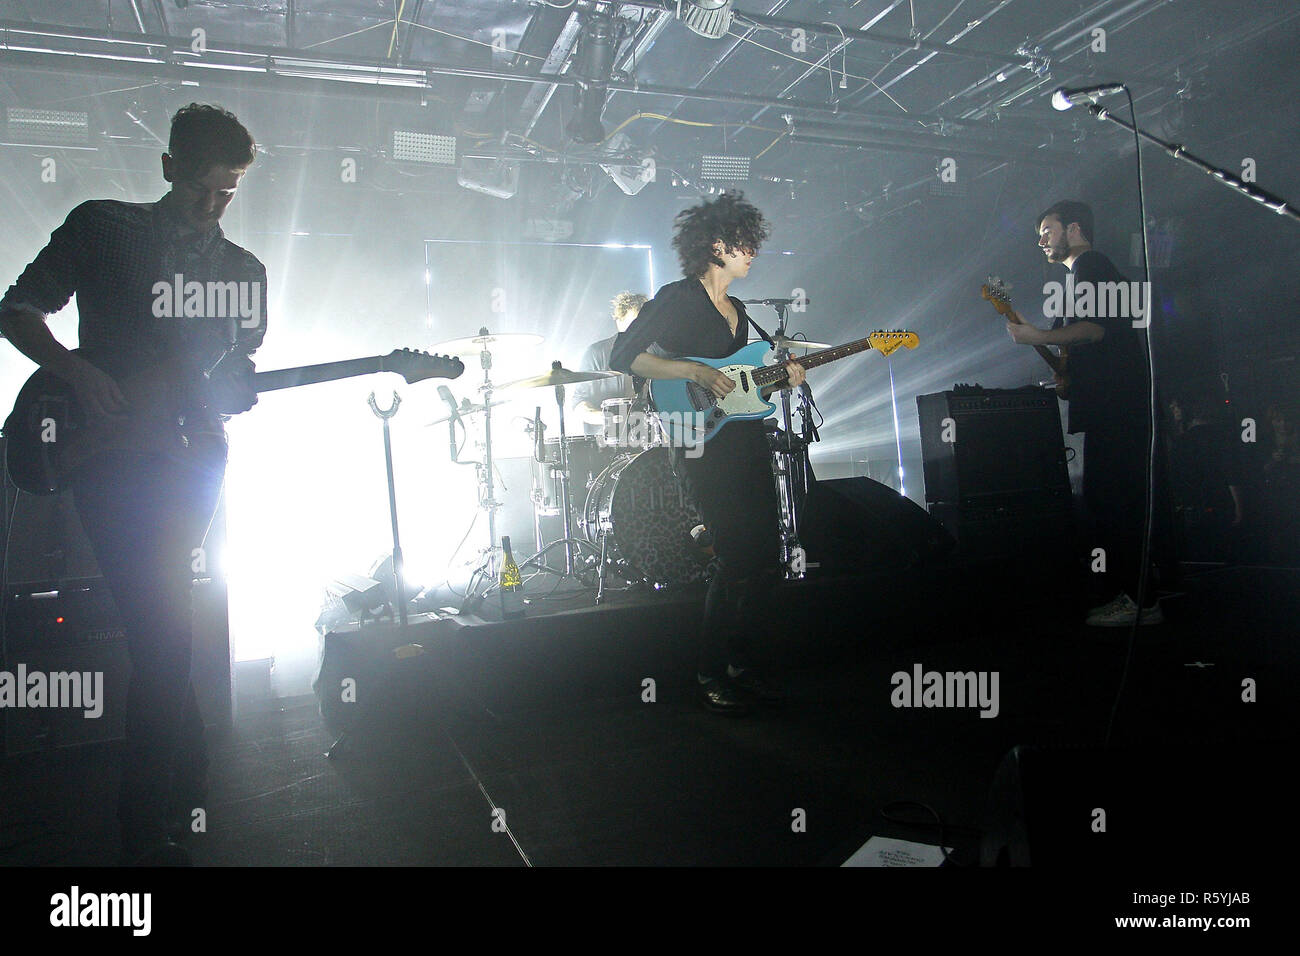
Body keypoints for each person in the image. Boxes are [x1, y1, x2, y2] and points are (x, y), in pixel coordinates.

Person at [0, 103, 266, 863]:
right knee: (161, 630)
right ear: (168, 168)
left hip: (192, 461)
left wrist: (234, 389)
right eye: (199, 191)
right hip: (108, 460)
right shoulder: (104, 229)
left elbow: (235, 376)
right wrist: (75, 372)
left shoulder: (243, 273)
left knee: (163, 629)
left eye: (228, 194)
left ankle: (167, 802)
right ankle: (155, 815)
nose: (211, 209)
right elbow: (17, 310)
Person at [609, 192, 805, 714]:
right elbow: (622, 356)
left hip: (742, 437)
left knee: (765, 553)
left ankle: (743, 665)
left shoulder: (739, 310)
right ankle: (709, 671)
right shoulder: (676, 298)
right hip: (696, 440)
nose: (753, 254)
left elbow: (745, 384)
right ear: (717, 246)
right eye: (745, 244)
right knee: (735, 552)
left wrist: (781, 380)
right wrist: (694, 371)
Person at [1006, 200, 1159, 626]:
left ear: (1073, 228)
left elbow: (1095, 328)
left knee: (1115, 502)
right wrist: (1066, 375)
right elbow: (1094, 341)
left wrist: (1038, 333)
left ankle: (1138, 599)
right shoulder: (1082, 274)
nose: (1041, 240)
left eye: (1047, 230)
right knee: (1108, 500)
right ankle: (1137, 595)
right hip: (1114, 405)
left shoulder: (1090, 265)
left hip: (1120, 407)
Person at [572, 291, 646, 435]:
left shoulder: (657, 353)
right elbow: (579, 403)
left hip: (650, 441)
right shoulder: (596, 353)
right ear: (619, 321)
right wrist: (605, 418)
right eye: (634, 323)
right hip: (607, 442)